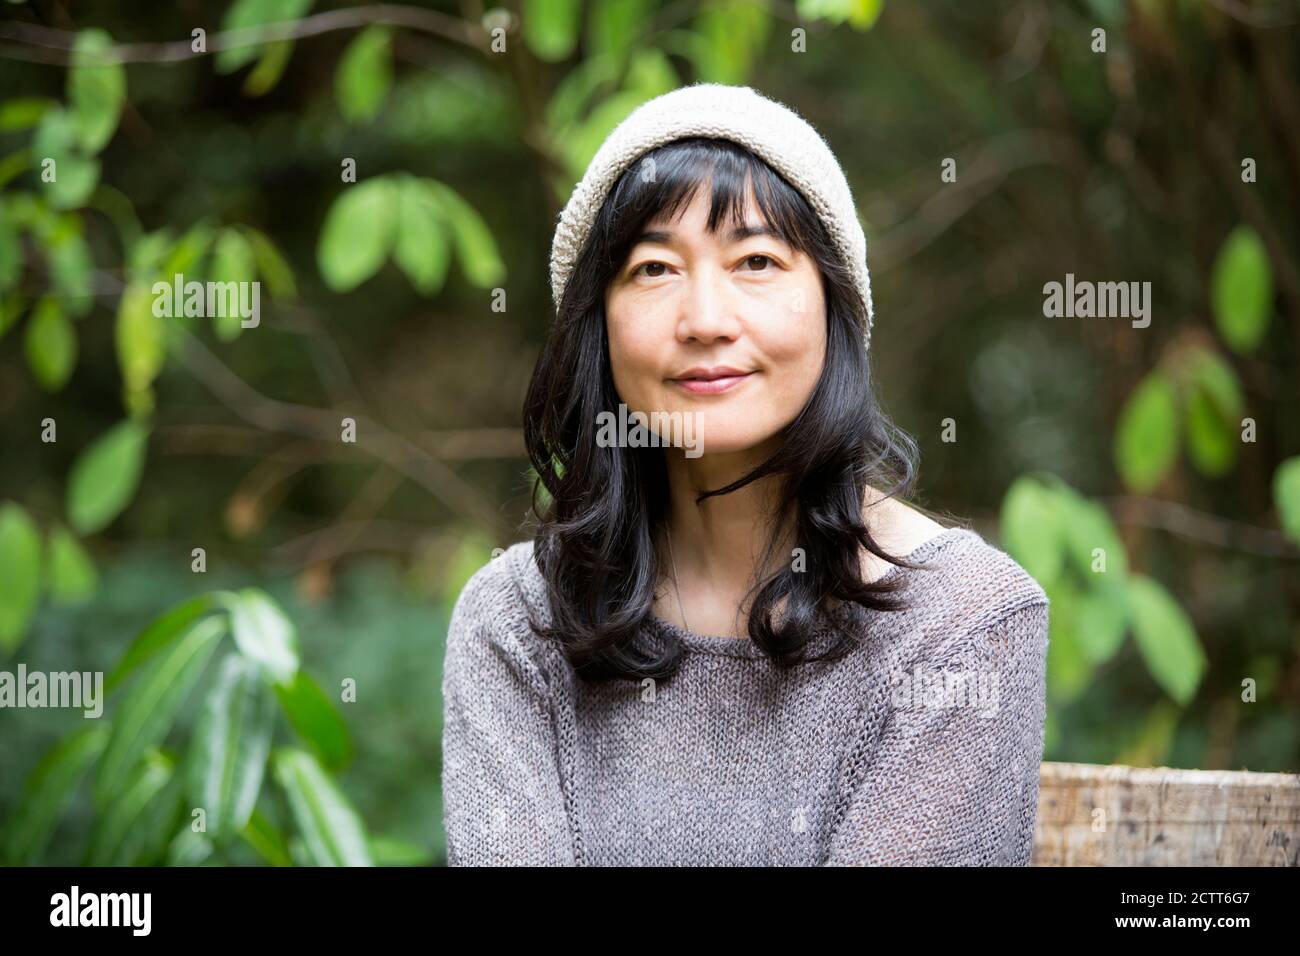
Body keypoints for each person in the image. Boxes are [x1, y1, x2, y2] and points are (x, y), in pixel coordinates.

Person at [441, 83, 1050, 866]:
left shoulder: (961, 626)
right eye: (655, 268)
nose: (705, 319)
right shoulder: (519, 622)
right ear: (599, 321)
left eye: (756, 260)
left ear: (834, 307)